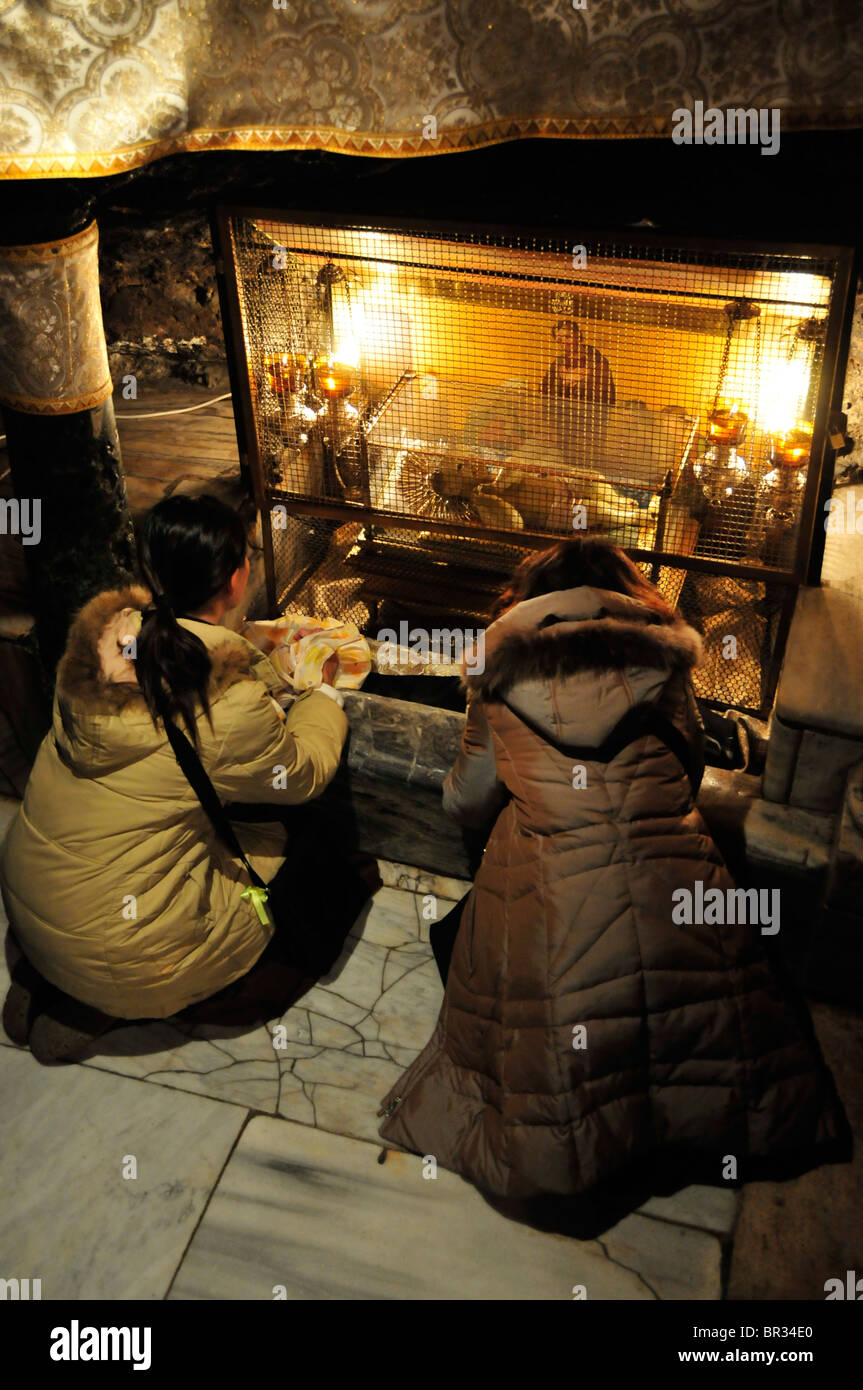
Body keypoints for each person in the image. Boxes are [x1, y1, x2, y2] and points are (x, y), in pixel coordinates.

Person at [378, 537, 851, 1231]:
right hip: (679, 874)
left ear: (527, 602)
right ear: (624, 594)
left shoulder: (497, 675)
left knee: (490, 924)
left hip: (552, 885)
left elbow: (467, 800)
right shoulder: (661, 658)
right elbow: (687, 769)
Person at [1, 494, 375, 1064]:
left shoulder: (100, 642)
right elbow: (300, 774)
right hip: (129, 942)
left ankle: (50, 973)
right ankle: (100, 1002)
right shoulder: (222, 706)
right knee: (316, 867)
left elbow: (175, 709)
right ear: (233, 579)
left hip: (28, 890)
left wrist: (259, 670)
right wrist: (321, 695)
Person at [539, 318, 616, 405]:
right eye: (560, 340)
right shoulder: (557, 364)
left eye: (568, 337)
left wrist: (583, 379)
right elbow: (543, 390)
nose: (564, 343)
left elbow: (605, 396)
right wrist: (565, 380)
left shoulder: (598, 363)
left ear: (578, 335)